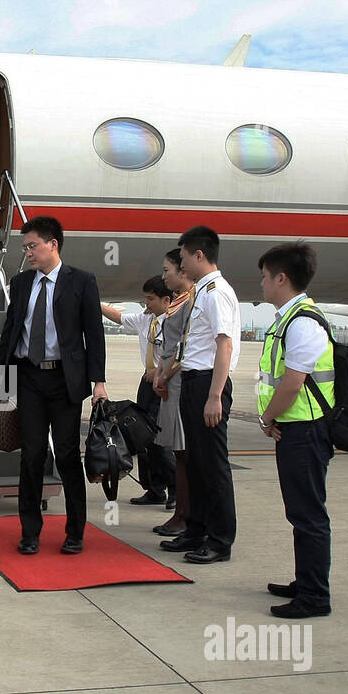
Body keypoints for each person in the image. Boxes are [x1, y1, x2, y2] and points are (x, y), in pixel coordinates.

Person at [0, 216, 107, 555]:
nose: (27, 252)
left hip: (64, 380)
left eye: (32, 246)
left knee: (68, 454)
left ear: (52, 244)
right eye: (24, 247)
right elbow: (12, 327)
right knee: (31, 454)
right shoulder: (21, 282)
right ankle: (30, 531)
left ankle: (75, 532)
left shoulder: (82, 282)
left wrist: (98, 381)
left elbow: (94, 334)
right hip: (30, 377)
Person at [256, 242, 336, 618]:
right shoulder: (289, 317)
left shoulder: (302, 320)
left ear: (281, 278)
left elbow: (293, 382)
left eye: (264, 277)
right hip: (294, 429)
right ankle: (305, 582)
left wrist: (266, 418)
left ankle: (315, 596)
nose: (262, 284)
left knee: (309, 515)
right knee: (300, 513)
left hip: (305, 431)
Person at [160, 225, 240, 564]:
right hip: (193, 381)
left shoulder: (216, 292)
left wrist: (215, 395)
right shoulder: (201, 292)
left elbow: (224, 343)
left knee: (213, 465)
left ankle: (220, 539)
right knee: (195, 463)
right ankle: (197, 528)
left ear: (199, 255)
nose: (181, 265)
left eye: (182, 258)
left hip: (208, 382)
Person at [100, 275, 175, 508]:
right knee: (143, 436)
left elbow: (180, 353)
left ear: (166, 300)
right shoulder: (147, 320)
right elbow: (119, 317)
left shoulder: (175, 322)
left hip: (167, 383)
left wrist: (161, 373)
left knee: (163, 439)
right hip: (147, 383)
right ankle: (154, 488)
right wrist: (94, 300)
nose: (146, 304)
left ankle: (177, 490)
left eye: (150, 299)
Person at [151, 251, 196, 536]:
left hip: (177, 383)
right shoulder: (179, 302)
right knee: (176, 451)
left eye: (167, 270)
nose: (164, 275)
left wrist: (163, 376)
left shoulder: (191, 302)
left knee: (182, 452)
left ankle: (184, 514)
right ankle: (181, 512)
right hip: (169, 380)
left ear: (182, 272)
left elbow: (185, 348)